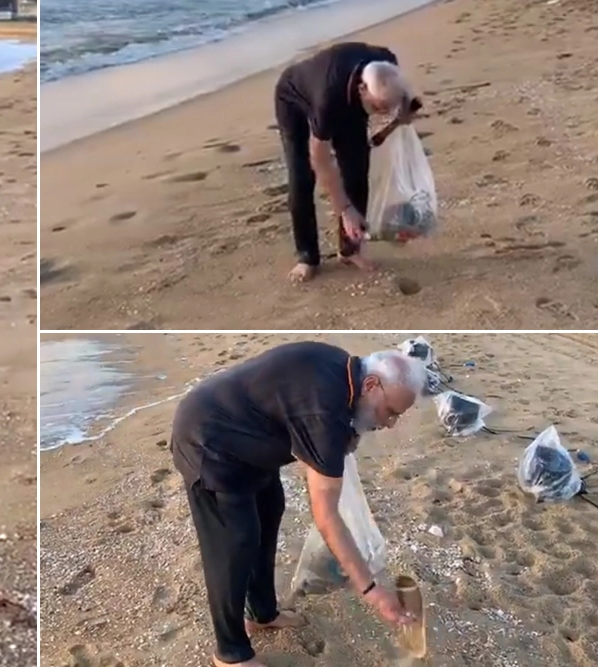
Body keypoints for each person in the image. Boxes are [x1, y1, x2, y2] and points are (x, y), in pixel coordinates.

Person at [169, 342, 425, 667]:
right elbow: (327, 517)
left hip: (249, 446)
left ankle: (262, 613)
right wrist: (372, 590)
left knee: (269, 511)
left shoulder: (344, 371)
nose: (389, 424)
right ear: (372, 385)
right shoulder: (325, 410)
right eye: (391, 412)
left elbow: (302, 415)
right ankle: (230, 653)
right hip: (206, 441)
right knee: (234, 544)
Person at [273, 42, 420, 283]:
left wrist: (398, 117)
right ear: (363, 89)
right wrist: (345, 209)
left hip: (351, 101)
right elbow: (319, 158)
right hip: (293, 98)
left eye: (387, 108)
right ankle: (307, 256)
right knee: (301, 176)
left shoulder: (386, 63)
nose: (383, 113)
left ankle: (350, 249)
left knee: (357, 170)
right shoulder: (328, 99)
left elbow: (407, 99)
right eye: (378, 108)